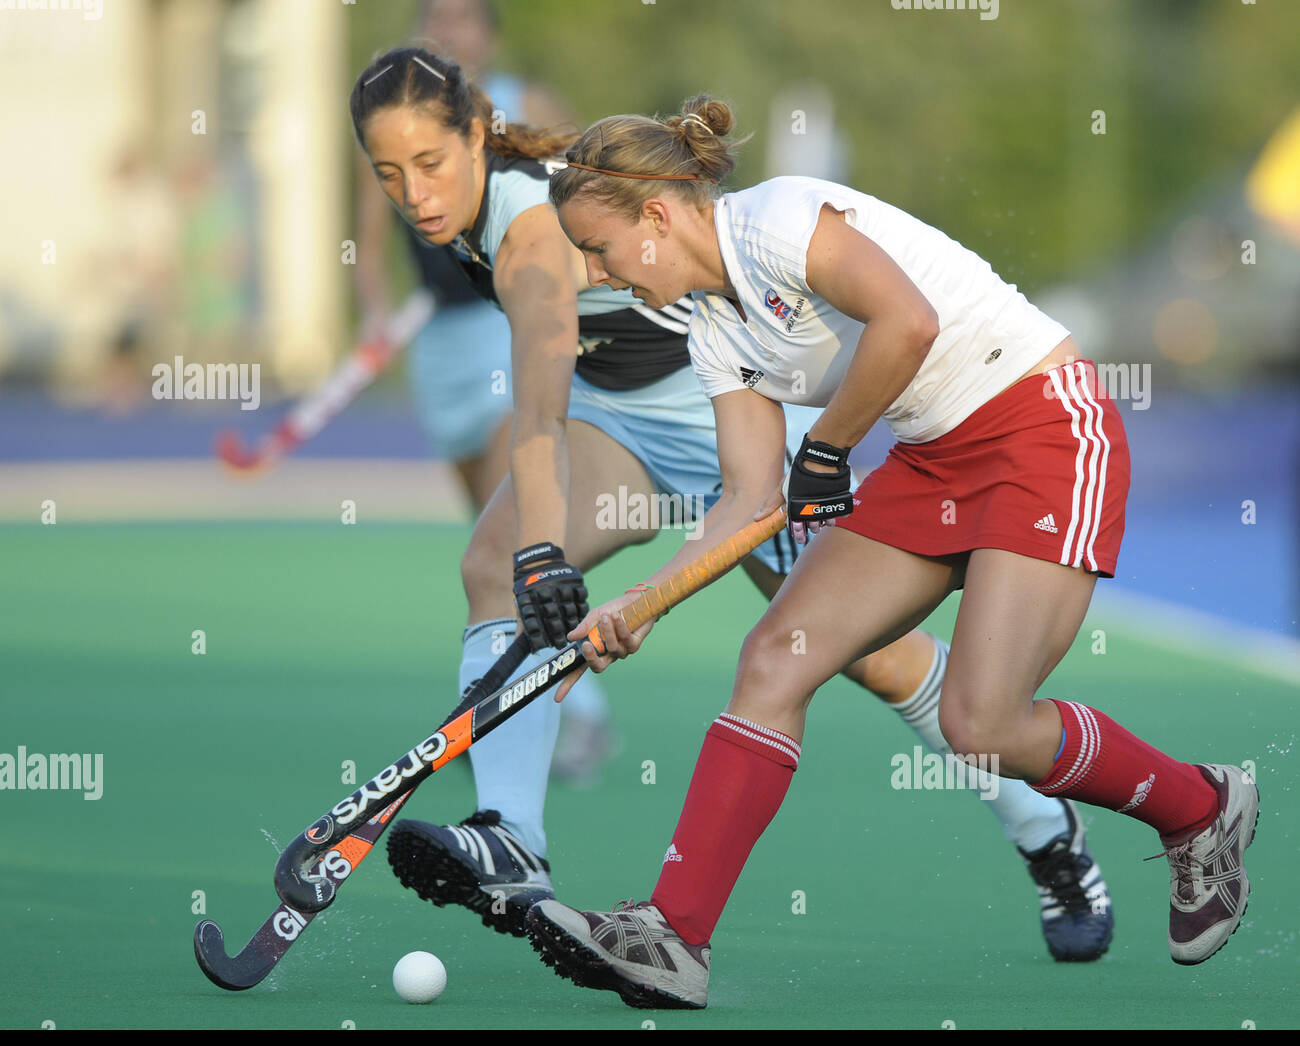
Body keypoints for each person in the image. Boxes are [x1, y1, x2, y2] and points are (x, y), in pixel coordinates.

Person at [349, 49, 1117, 962]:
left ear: (476, 132)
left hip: (725, 418)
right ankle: (512, 834)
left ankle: (1047, 830)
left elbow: (541, 415)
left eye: (431, 163)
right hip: (624, 422)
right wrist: (529, 558)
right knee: (489, 566)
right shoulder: (476, 215)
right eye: (389, 175)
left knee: (871, 657)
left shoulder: (528, 234)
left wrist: (543, 556)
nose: (414, 194)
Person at [524, 96, 1259, 1009]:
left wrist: (827, 449)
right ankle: (673, 936)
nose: (595, 275)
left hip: (1041, 426)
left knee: (981, 724)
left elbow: (904, 321)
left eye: (599, 248)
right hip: (931, 457)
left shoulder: (779, 221)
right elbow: (750, 497)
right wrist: (638, 602)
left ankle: (1200, 807)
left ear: (659, 215)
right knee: (773, 659)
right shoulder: (711, 328)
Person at [353, 0, 614, 780]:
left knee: (518, 541)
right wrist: (374, 314)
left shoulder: (523, 130)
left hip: (518, 336)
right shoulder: (397, 118)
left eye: (465, 16)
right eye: (438, 14)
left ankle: (572, 724)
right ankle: (515, 811)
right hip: (444, 342)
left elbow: (544, 403)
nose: (413, 190)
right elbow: (371, 238)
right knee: (494, 541)